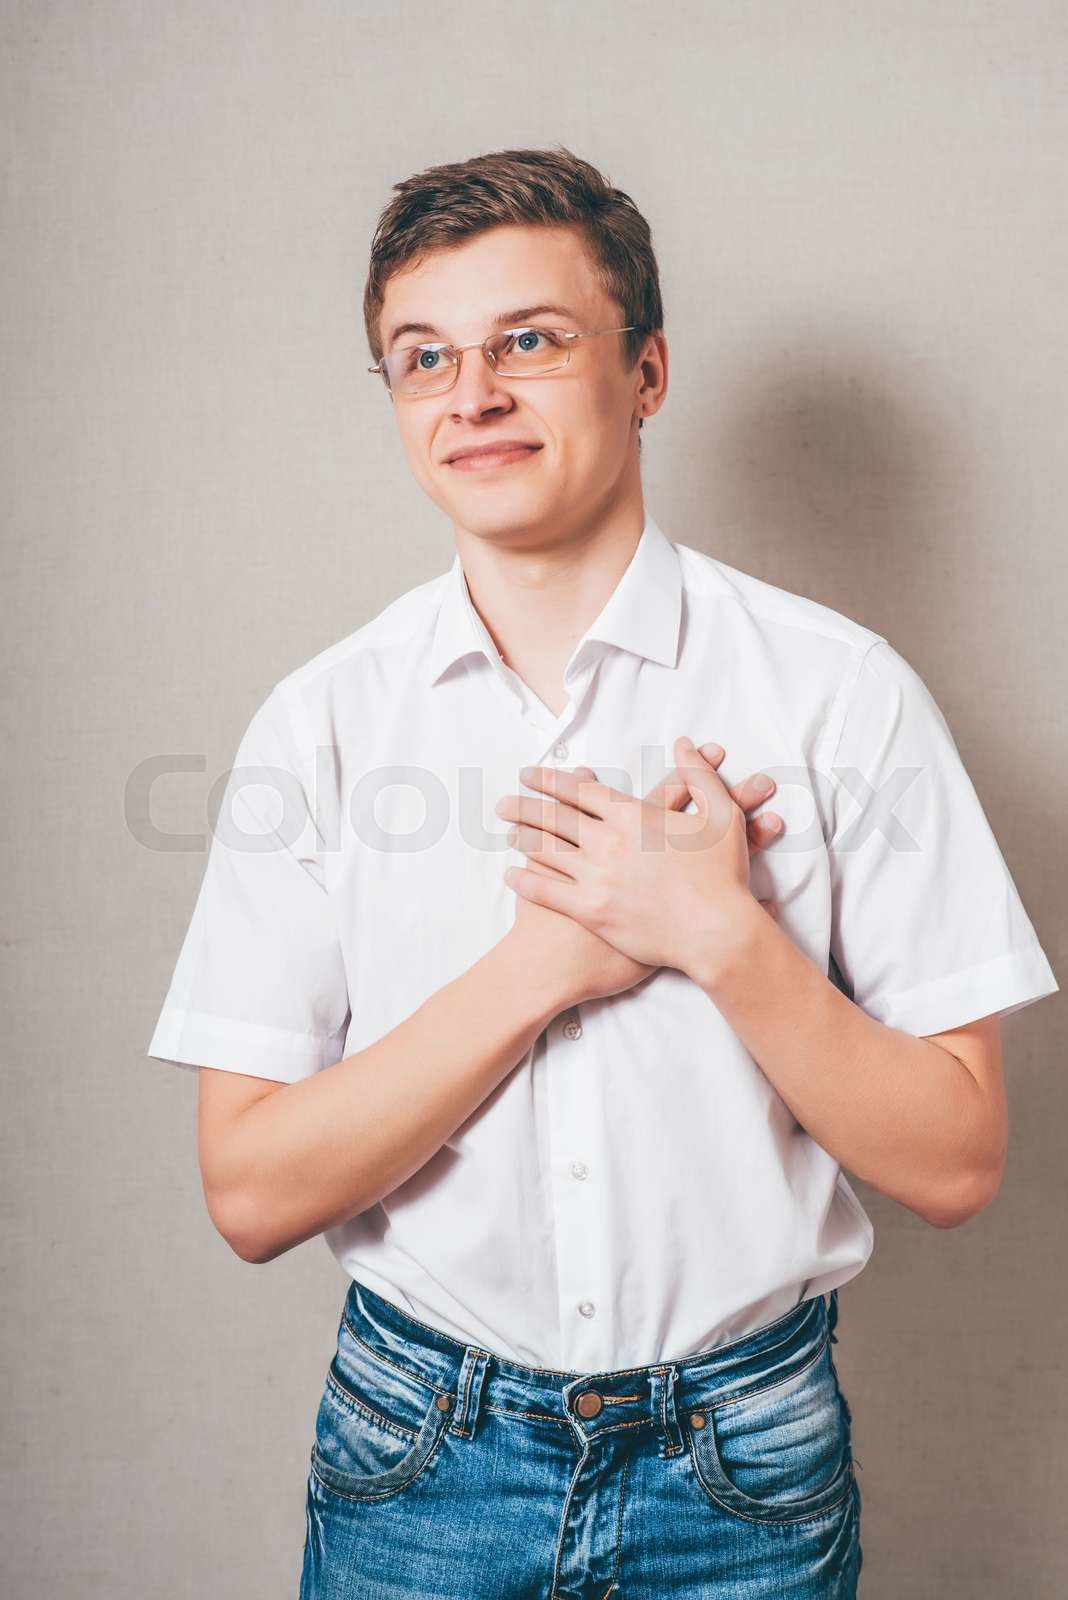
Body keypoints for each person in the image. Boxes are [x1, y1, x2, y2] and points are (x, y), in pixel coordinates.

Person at [146, 146, 1059, 1598]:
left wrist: (721, 935)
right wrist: (545, 966)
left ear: (646, 373)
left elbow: (954, 1161)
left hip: (746, 1472)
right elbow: (252, 1194)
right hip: (417, 1470)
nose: (472, 396)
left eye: (530, 341)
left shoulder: (842, 696)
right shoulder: (320, 722)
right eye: (422, 357)